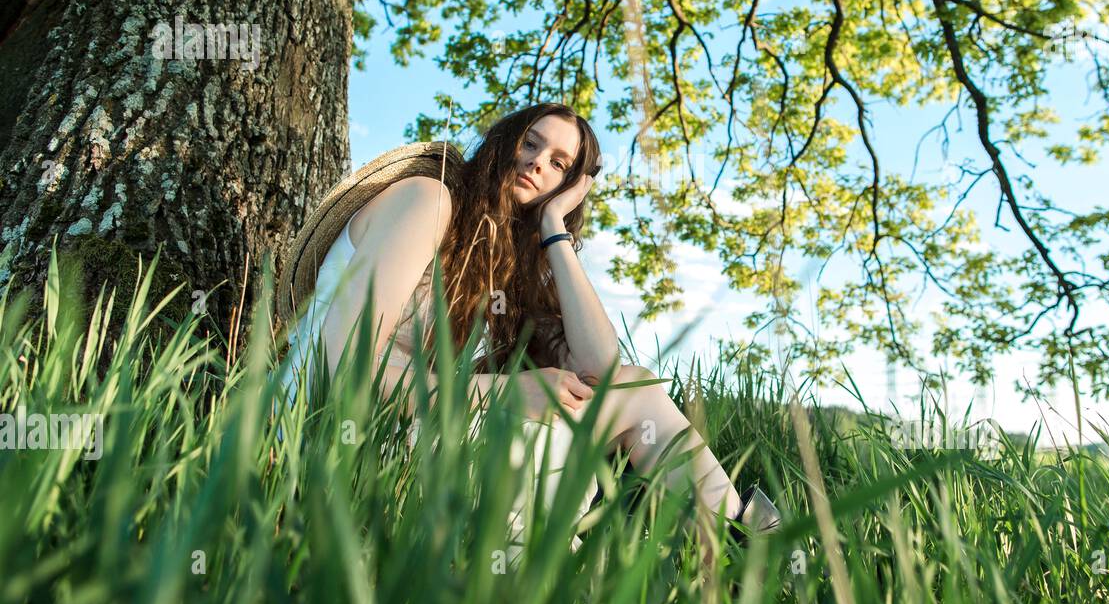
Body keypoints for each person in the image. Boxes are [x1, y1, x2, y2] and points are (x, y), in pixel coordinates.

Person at [275, 102, 779, 562]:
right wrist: (503, 392)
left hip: (420, 425)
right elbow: (342, 361)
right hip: (333, 428)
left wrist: (555, 229)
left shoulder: (508, 272)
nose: (538, 162)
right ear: (501, 142)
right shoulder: (426, 201)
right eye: (531, 142)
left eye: (560, 164)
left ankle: (742, 548)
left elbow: (600, 369)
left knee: (634, 387)